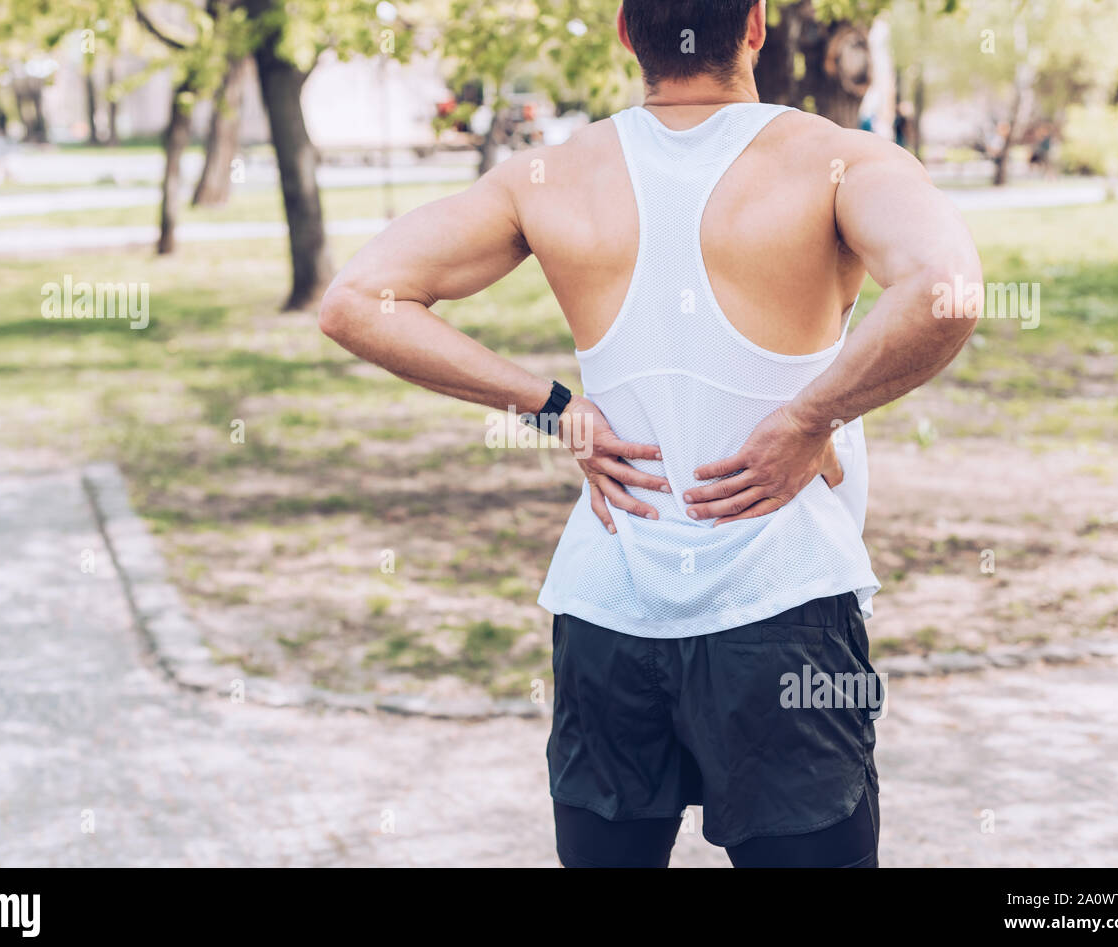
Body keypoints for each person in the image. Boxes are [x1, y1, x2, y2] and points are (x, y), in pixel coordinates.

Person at [319, 0, 982, 867]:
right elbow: (948, 287)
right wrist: (808, 417)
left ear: (628, 34)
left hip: (609, 615)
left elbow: (353, 302)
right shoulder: (836, 159)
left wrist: (552, 406)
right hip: (783, 614)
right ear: (755, 26)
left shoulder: (548, 176)